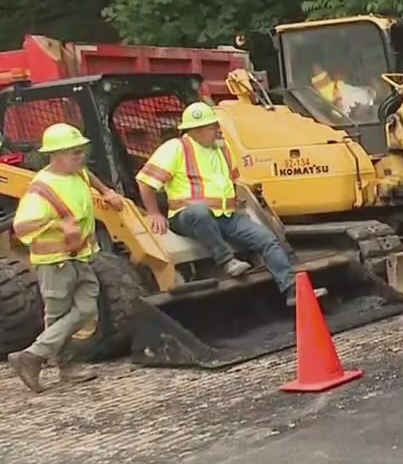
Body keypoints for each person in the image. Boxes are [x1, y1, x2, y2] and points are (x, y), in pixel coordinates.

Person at [134, 102, 324, 306]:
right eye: (212, 126)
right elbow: (145, 181)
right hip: (187, 217)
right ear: (196, 131)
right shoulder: (176, 148)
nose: (217, 129)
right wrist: (154, 213)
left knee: (266, 239)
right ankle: (227, 261)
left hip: (226, 216)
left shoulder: (222, 150)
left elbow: (231, 181)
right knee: (199, 212)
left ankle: (293, 291)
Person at [6, 123, 125, 392]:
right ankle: (58, 364)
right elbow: (22, 226)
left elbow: (88, 174)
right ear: (56, 156)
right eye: (74, 153)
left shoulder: (77, 173)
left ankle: (35, 355)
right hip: (55, 262)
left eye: (81, 151)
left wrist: (107, 192)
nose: (81, 156)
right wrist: (61, 226)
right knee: (59, 314)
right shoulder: (42, 190)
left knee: (86, 307)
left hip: (79, 256)